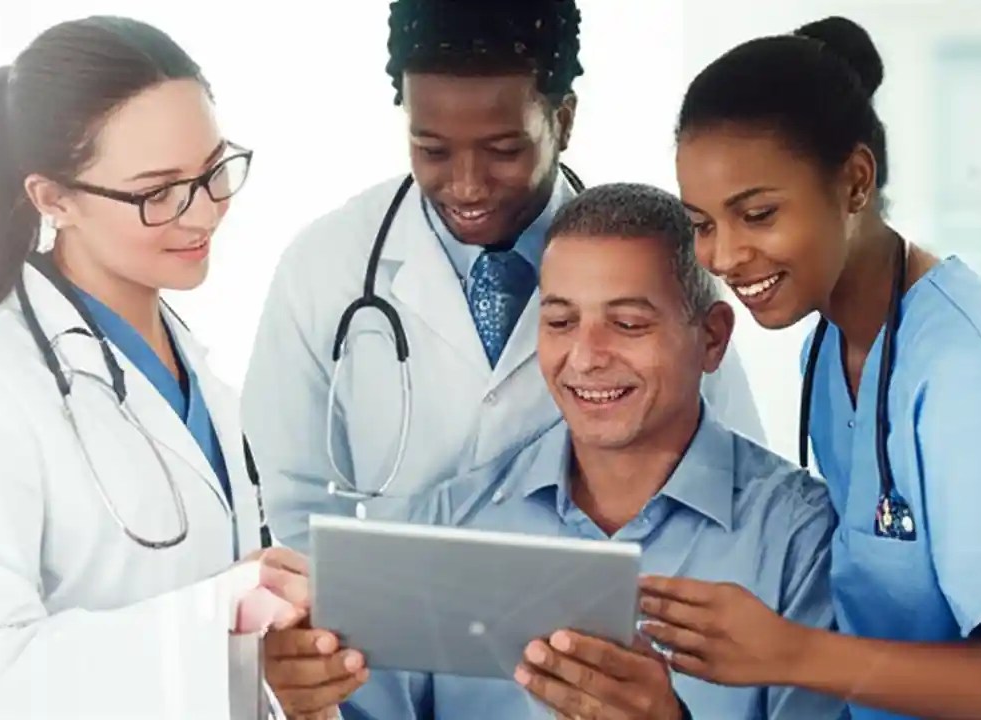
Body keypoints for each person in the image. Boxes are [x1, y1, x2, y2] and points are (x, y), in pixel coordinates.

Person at [636, 16, 981, 720]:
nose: (725, 257)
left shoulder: (974, 375)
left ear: (856, 182)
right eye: (702, 224)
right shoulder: (830, 352)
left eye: (758, 214)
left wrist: (789, 652)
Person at [263, 182, 842, 720]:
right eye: (561, 321)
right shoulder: (449, 526)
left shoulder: (798, 538)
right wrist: (300, 700)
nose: (585, 357)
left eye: (628, 323)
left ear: (711, 337)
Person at [241, 0, 764, 549]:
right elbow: (297, 504)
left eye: (504, 150)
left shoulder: (655, 260)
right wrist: (361, 594)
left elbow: (732, 470)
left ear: (563, 121)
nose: (467, 185)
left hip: (614, 596)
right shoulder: (325, 266)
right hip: (381, 599)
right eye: (432, 150)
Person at [0, 17, 340, 718]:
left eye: (213, 170)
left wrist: (277, 667)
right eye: (158, 192)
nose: (204, 213)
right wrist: (218, 618)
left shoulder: (197, 374)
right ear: (53, 199)